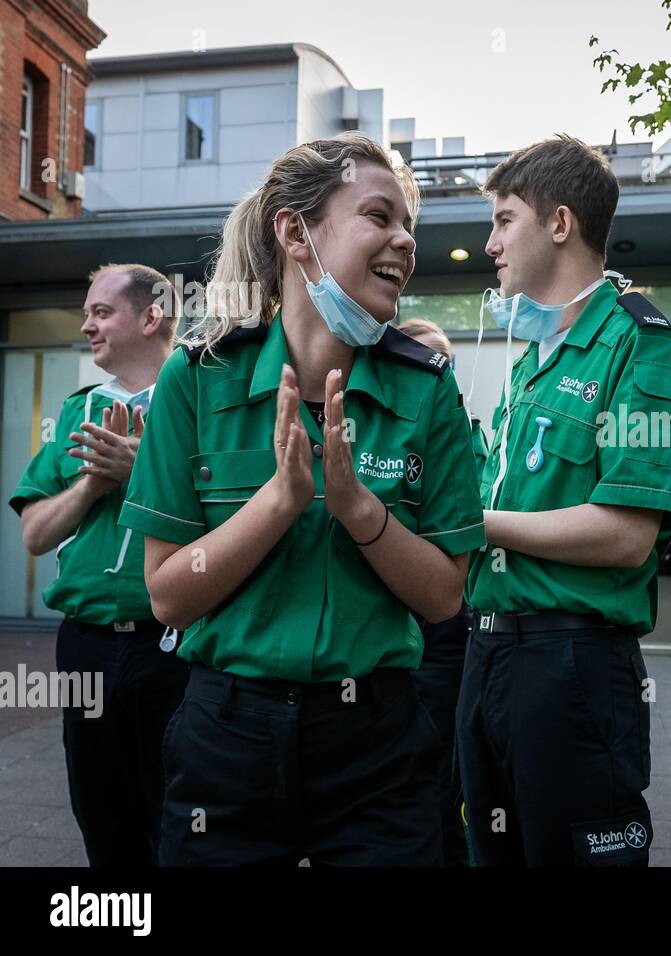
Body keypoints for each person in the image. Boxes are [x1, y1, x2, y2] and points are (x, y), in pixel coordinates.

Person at [117, 133, 486, 865]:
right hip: (228, 743)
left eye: (408, 225)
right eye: (379, 217)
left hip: (378, 750)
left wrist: (360, 512)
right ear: (294, 232)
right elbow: (167, 596)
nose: (405, 240)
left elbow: (446, 596)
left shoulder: (428, 387)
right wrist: (279, 503)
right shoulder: (197, 380)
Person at [458, 135, 671, 866]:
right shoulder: (533, 360)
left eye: (505, 220)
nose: (490, 244)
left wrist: (467, 524)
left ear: (559, 223)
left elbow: (625, 536)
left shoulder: (646, 348)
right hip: (489, 651)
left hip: (571, 664)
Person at [9, 264, 188, 866]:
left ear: (151, 316)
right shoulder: (75, 413)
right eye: (87, 312)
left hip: (174, 648)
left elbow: (236, 513)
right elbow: (34, 535)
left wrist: (143, 464)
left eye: (101, 312)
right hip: (85, 648)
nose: (87, 325)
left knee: (180, 812)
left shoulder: (201, 407)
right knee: (100, 808)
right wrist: (90, 485)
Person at [398, 317, 481, 866]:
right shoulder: (378, 427)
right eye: (426, 360)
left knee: (452, 777)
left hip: (451, 630)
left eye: (446, 361)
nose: (438, 370)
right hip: (395, 628)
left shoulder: (470, 433)